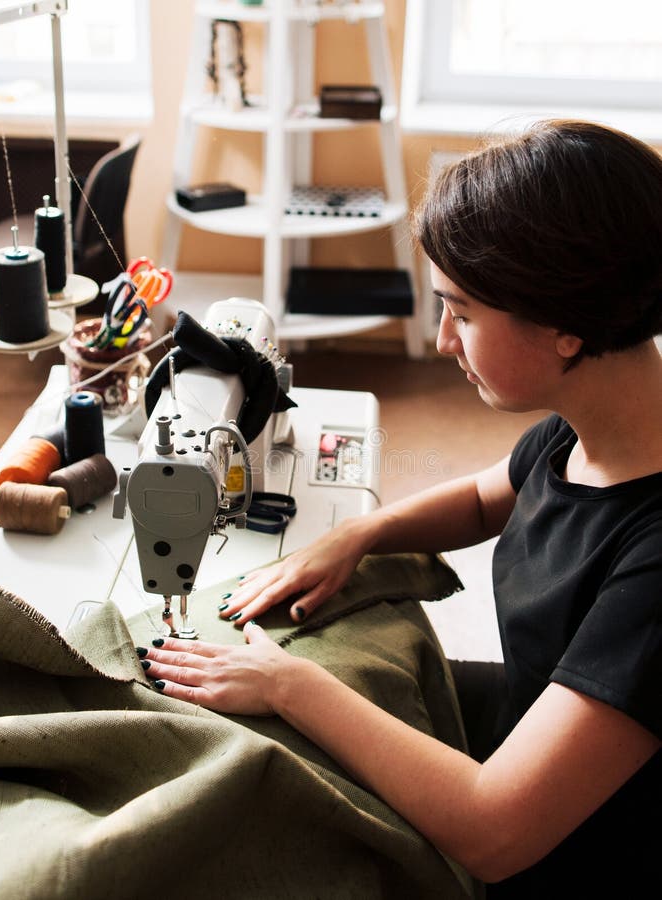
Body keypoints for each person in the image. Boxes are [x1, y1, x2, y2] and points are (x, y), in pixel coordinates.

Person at [139, 120, 661, 897]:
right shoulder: (596, 417)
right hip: (530, 719)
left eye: (463, 313)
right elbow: (490, 495)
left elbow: (494, 831)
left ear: (563, 329)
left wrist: (288, 685)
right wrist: (360, 531)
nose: (444, 339)